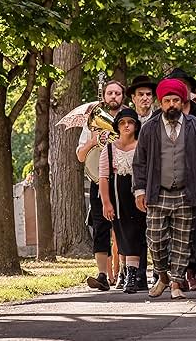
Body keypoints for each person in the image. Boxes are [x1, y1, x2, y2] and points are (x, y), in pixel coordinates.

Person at [132, 78, 196, 299]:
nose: (171, 105)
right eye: (167, 100)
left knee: (181, 241)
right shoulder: (149, 128)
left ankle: (176, 284)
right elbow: (139, 162)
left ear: (182, 101)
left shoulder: (195, 125)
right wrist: (139, 190)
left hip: (186, 192)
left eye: (176, 100)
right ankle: (163, 277)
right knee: (155, 240)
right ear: (161, 102)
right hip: (158, 192)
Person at [162, 68, 196, 291]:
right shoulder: (161, 116)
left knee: (194, 226)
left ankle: (191, 271)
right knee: (171, 228)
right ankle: (174, 272)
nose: (180, 90)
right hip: (169, 180)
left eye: (183, 86)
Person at [78, 80, 125, 291]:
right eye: (109, 93)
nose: (113, 96)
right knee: (100, 227)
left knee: (125, 226)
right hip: (98, 180)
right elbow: (80, 156)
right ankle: (102, 275)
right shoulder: (92, 123)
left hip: (123, 178)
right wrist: (92, 141)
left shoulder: (127, 120)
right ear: (104, 97)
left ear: (122, 96)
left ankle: (125, 271)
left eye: (117, 93)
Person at [98, 108, 147, 293]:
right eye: (122, 123)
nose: (126, 126)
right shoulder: (109, 149)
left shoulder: (142, 146)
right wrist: (106, 202)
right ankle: (126, 272)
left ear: (136, 125)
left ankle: (132, 277)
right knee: (122, 234)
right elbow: (103, 177)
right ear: (117, 127)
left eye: (130, 122)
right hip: (118, 197)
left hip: (137, 195)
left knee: (134, 233)